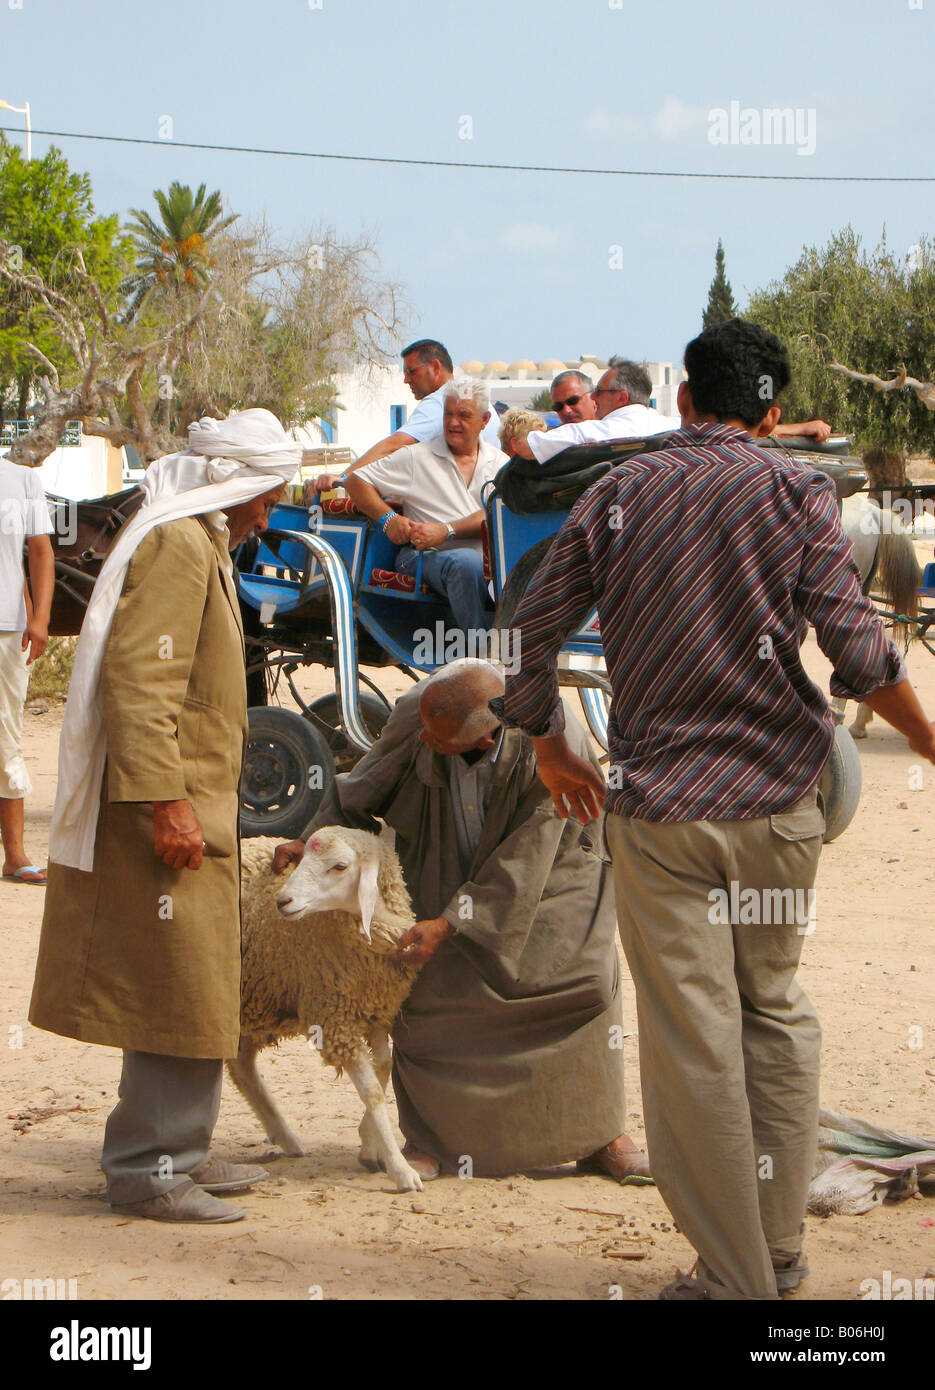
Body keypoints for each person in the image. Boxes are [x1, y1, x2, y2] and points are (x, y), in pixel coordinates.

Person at [492, 318, 935, 1300]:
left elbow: (526, 625)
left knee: (694, 1039)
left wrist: (546, 738)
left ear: (683, 400)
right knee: (771, 1016)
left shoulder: (615, 492)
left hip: (661, 820)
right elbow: (859, 656)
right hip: (780, 812)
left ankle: (732, 1276)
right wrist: (925, 738)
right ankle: (772, 1258)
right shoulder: (794, 490)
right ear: (773, 413)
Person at [28, 409, 301, 1225]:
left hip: (196, 803)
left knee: (195, 977)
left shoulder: (199, 537)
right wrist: (168, 801)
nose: (268, 512)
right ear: (234, 483)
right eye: (266, 495)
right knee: (172, 981)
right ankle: (149, 1168)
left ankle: (180, 1145)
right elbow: (139, 687)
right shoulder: (180, 546)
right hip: (171, 809)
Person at [274, 659, 650, 1183]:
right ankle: (429, 1141)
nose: (424, 740)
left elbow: (531, 850)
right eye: (424, 727)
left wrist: (452, 922)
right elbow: (363, 784)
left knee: (582, 987)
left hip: (553, 880)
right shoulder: (421, 718)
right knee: (425, 998)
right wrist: (309, 840)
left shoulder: (552, 734)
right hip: (445, 861)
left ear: (484, 738)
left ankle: (600, 1136)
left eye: (441, 738)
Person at [345, 381, 506, 633]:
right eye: (448, 414)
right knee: (466, 562)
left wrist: (447, 529)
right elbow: (355, 480)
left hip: (486, 564)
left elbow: (501, 513)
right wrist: (388, 519)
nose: (453, 423)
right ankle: (482, 653)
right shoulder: (416, 456)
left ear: (484, 420)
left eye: (464, 415)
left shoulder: (500, 464)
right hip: (422, 557)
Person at [314, 338, 501, 493]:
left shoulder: (438, 401)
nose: (406, 380)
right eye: (449, 415)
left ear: (435, 367)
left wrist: (344, 477)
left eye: (411, 371)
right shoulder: (479, 400)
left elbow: (395, 445)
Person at [0, 456, 54, 885]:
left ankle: (15, 855)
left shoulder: (22, 480)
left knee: (7, 736)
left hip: (8, 629)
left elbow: (39, 550)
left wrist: (39, 618)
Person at [512, 358, 679, 463]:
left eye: (599, 391)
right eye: (558, 407)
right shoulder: (677, 427)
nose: (594, 397)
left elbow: (525, 447)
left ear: (622, 398)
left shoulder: (588, 433)